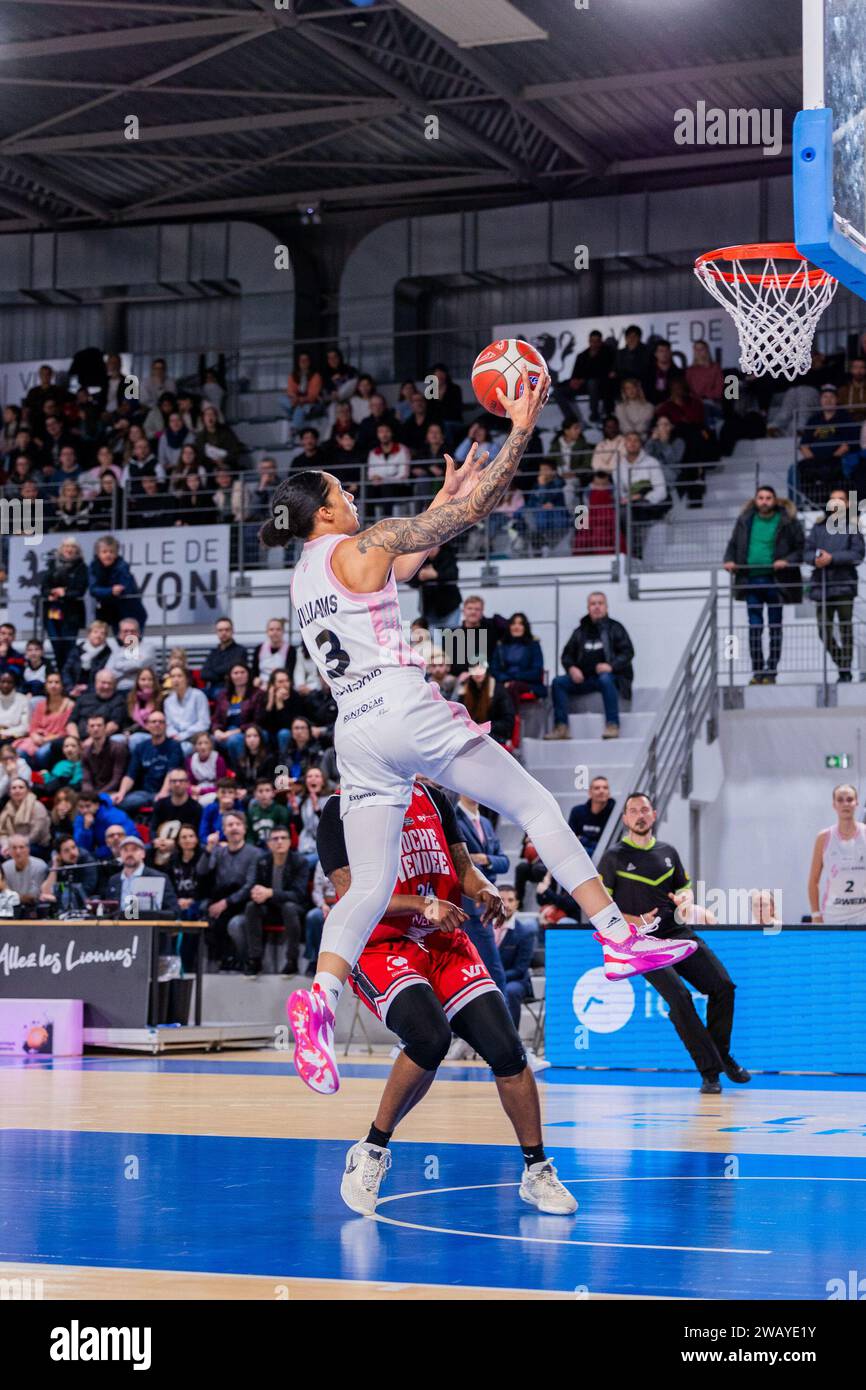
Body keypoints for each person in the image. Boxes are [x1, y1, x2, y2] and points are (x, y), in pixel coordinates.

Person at [261, 362, 696, 1094]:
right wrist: (521, 432)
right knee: (534, 805)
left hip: (356, 734)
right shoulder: (357, 547)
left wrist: (442, 493)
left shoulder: (306, 574)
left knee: (366, 885)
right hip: (403, 707)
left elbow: (405, 559)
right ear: (324, 513)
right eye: (341, 492)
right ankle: (618, 939)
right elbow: (470, 517)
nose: (352, 495)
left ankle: (319, 1001)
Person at [317, 782, 575, 1215]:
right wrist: (424, 903)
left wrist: (484, 888)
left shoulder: (435, 798)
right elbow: (354, 896)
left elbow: (461, 869)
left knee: (508, 1051)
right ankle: (372, 1149)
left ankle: (536, 1171)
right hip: (380, 944)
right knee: (430, 1037)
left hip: (443, 942)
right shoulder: (340, 808)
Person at [598, 792, 748, 1094]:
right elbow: (601, 906)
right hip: (641, 944)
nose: (640, 815)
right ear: (625, 819)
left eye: (645, 810)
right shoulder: (614, 857)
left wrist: (685, 900)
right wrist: (633, 921)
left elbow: (685, 890)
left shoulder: (669, 852)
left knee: (724, 986)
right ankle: (711, 1073)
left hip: (678, 934)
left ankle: (720, 1055)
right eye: (633, 811)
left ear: (653, 815)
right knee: (679, 998)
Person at [723, 485, 805, 685]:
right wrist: (729, 560)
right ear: (755, 500)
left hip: (776, 582)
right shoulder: (744, 520)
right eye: (761, 497)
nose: (764, 501)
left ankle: (772, 671)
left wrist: (786, 560)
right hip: (750, 581)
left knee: (775, 627)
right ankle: (758, 671)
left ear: (775, 500)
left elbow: (801, 548)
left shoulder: (788, 521)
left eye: (768, 497)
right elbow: (733, 544)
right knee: (755, 627)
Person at [547, 591, 635, 741]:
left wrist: (611, 666)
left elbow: (628, 652)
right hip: (585, 679)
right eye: (593, 604)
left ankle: (612, 725)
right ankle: (561, 727)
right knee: (558, 682)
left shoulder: (615, 628)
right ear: (588, 607)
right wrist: (572, 669)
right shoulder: (580, 631)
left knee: (606, 678)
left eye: (600, 603)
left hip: (610, 678)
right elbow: (566, 655)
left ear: (606, 607)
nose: (597, 607)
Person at [803, 489, 865, 682]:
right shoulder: (819, 527)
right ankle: (843, 664)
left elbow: (857, 554)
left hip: (844, 585)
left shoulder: (853, 526)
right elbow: (807, 552)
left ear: (848, 504)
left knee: (846, 629)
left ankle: (844, 671)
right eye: (833, 499)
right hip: (822, 585)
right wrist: (817, 559)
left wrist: (832, 559)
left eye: (841, 499)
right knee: (824, 631)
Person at [453, 791, 510, 992]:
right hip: (469, 903)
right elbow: (461, 865)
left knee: (492, 971)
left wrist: (485, 859)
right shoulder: (452, 818)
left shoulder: (485, 823)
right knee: (491, 972)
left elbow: (504, 863)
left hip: (487, 901)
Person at [241, 824, 310, 977]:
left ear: (290, 842)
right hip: (270, 908)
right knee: (251, 907)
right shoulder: (262, 861)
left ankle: (292, 960)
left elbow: (298, 895)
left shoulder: (300, 862)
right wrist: (256, 892)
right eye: (275, 839)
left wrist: (270, 893)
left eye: (283, 838)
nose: (279, 842)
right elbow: (256, 885)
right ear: (268, 844)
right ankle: (255, 959)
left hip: (294, 908)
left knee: (289, 907)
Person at [196, 809, 260, 968]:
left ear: (244, 828)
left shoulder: (255, 853)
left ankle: (243, 960)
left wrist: (226, 902)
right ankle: (215, 960)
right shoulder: (218, 851)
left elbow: (250, 885)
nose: (234, 828)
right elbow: (201, 871)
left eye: (238, 824)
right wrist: (209, 849)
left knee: (234, 923)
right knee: (203, 911)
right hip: (221, 898)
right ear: (224, 830)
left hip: (243, 903)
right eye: (230, 825)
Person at [808, 783, 866, 924]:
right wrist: (816, 915)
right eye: (840, 800)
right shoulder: (823, 838)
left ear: (857, 803)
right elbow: (813, 881)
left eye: (849, 799)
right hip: (833, 916)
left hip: (863, 914)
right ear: (834, 804)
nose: (845, 803)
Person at [114, 709, 185, 816]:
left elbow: (172, 772)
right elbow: (130, 775)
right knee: (119, 803)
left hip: (169, 792)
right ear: (147, 725)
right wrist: (121, 793)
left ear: (166, 726)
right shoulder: (141, 747)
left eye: (161, 722)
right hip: (145, 794)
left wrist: (163, 793)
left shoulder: (174, 746)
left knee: (165, 804)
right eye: (154, 722)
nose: (157, 724)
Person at [39, 538, 89, 678]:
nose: (69, 549)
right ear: (61, 549)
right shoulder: (52, 565)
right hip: (52, 614)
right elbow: (44, 588)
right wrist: (51, 593)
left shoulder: (82, 567)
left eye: (73, 546)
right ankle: (60, 678)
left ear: (77, 550)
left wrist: (64, 593)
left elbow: (80, 590)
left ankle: (68, 679)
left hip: (71, 616)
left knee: (69, 649)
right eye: (66, 546)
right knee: (56, 648)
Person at [494, 884, 538, 1031]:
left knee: (510, 991)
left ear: (517, 903)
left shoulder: (525, 932)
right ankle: (465, 1040)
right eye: (501, 899)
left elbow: (520, 969)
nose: (505, 904)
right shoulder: (483, 928)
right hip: (486, 979)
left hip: (515, 980)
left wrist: (496, 978)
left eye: (510, 900)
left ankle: (511, 1040)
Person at [107, 834, 179, 916]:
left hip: (148, 925)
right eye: (125, 850)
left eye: (134, 849)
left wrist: (152, 915)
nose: (129, 853)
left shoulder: (158, 878)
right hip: (118, 927)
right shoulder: (114, 880)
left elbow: (174, 911)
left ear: (143, 853)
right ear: (120, 854)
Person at [88, 535, 147, 636]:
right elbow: (93, 590)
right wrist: (111, 591)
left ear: (116, 554)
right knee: (100, 638)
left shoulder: (122, 566)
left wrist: (110, 591)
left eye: (112, 552)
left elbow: (126, 589)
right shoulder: (93, 566)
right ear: (98, 553)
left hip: (129, 610)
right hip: (108, 609)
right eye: (104, 552)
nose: (108, 555)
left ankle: (132, 650)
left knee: (130, 646)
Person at [488, 611, 546, 713]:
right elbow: (494, 669)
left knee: (512, 687)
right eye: (513, 623)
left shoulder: (533, 645)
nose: (516, 627)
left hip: (528, 683)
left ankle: (512, 721)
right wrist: (506, 679)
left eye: (520, 624)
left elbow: (537, 672)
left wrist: (512, 678)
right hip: (504, 682)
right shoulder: (501, 645)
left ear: (525, 627)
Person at [104, 618, 160, 693]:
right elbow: (108, 674)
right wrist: (133, 667)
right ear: (120, 635)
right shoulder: (116, 652)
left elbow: (139, 664)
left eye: (132, 631)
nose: (129, 634)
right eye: (125, 631)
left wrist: (118, 665)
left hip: (142, 691)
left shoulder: (148, 648)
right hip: (120, 691)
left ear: (138, 634)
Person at [0, 778, 51, 855]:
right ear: (9, 792)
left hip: (36, 845)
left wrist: (16, 846)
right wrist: (5, 844)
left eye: (21, 787)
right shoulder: (6, 809)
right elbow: (3, 833)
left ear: (28, 790)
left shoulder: (37, 806)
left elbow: (36, 834)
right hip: (13, 845)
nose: (17, 790)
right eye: (14, 788)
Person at [568, 775, 615, 858]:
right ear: (590, 793)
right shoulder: (577, 811)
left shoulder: (614, 813)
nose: (601, 791)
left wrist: (583, 840)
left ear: (609, 793)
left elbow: (607, 845)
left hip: (602, 855)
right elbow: (571, 840)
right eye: (597, 788)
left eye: (605, 788)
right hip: (578, 853)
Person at [201, 618, 248, 700]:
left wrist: (214, 671)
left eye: (227, 630)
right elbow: (204, 674)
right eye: (220, 630)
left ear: (232, 631)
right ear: (217, 632)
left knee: (220, 694)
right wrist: (222, 674)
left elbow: (232, 670)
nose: (224, 633)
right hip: (211, 688)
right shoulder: (213, 653)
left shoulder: (240, 650)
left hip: (230, 688)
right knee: (194, 695)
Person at [2, 834, 49, 910]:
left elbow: (33, 896)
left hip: (35, 909)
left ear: (28, 849)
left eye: (21, 847)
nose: (18, 851)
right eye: (14, 848)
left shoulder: (40, 866)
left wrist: (14, 897)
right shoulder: (4, 867)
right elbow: (4, 894)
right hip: (11, 909)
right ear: (9, 851)